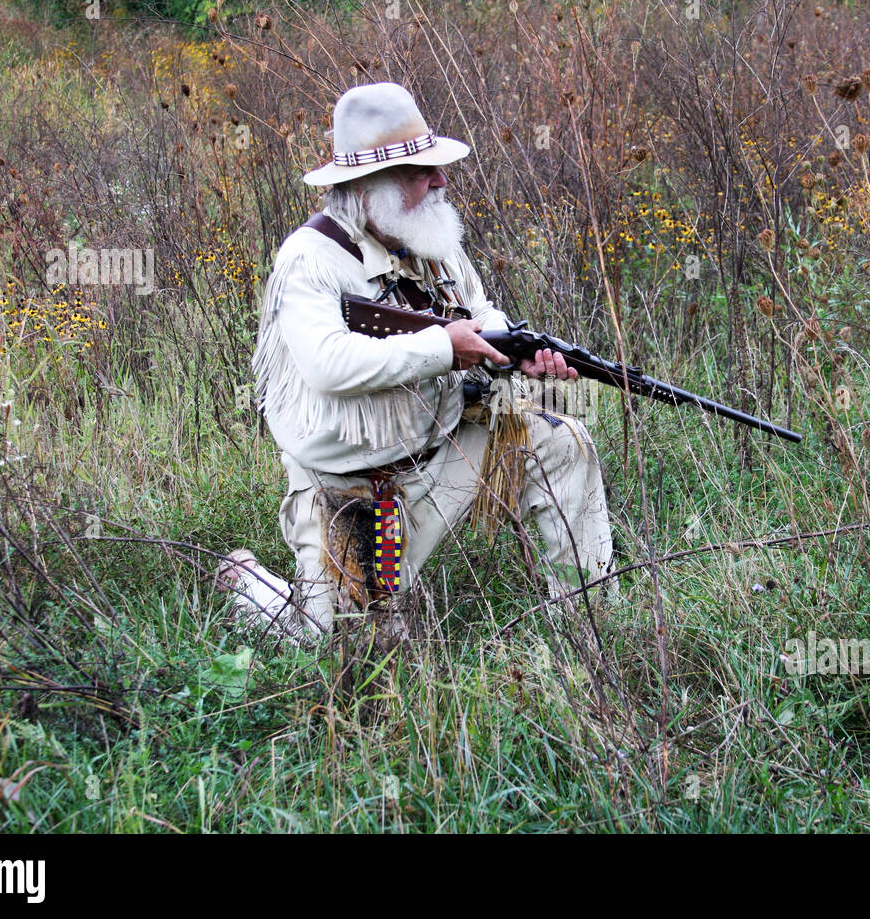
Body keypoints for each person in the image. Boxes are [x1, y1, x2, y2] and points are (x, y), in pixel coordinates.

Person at [221, 82, 614, 647]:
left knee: (562, 441)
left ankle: (585, 629)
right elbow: (327, 364)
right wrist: (446, 348)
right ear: (364, 184)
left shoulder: (428, 238)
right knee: (346, 647)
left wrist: (521, 353)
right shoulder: (309, 259)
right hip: (350, 491)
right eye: (417, 171)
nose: (440, 181)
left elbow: (479, 316)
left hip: (447, 453)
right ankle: (249, 585)